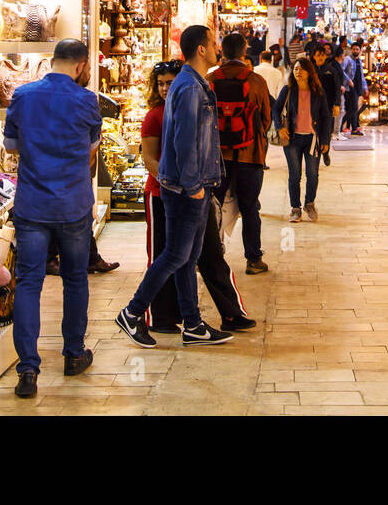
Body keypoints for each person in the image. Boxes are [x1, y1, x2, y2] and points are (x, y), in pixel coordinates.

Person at [117, 25, 234, 348]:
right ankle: (132, 312)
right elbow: (185, 141)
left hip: (190, 185)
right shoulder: (191, 88)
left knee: (186, 256)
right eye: (213, 43)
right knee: (175, 255)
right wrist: (193, 183)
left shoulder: (192, 83)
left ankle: (193, 324)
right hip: (185, 188)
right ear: (201, 49)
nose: (217, 47)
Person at [3, 39, 101, 397]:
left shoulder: (24, 95)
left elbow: (11, 146)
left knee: (29, 281)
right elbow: (91, 150)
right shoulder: (87, 100)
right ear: (80, 65)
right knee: (75, 279)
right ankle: (74, 353)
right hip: (73, 204)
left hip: (32, 203)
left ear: (54, 60)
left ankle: (28, 369)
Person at [138, 60, 257, 335]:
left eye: (170, 82)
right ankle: (160, 317)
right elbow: (149, 158)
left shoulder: (190, 108)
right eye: (161, 83)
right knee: (165, 257)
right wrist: (175, 184)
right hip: (163, 195)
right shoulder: (155, 116)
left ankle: (229, 313)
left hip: (194, 194)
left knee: (209, 254)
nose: (166, 88)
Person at [209, 33, 272, 275]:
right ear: (244, 52)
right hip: (250, 155)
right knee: (249, 208)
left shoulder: (210, 79)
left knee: (212, 206)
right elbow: (265, 120)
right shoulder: (256, 81)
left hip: (217, 157)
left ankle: (211, 257)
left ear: (221, 51)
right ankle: (254, 259)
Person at [272, 56, 332, 223]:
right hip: (292, 139)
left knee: (313, 174)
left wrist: (326, 140)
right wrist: (279, 127)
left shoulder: (317, 92)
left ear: (309, 72)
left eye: (301, 69)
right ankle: (295, 208)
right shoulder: (288, 90)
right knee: (295, 175)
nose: (298, 72)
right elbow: (275, 111)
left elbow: (326, 117)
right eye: (296, 69)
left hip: (313, 139)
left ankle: (309, 203)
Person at [312, 43, 344, 147]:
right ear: (314, 57)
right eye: (318, 55)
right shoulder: (311, 71)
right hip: (313, 105)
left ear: (325, 56)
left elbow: (337, 88)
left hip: (328, 105)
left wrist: (337, 104)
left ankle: (326, 148)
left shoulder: (331, 71)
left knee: (327, 128)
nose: (320, 57)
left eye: (322, 55)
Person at [340, 42, 366, 136]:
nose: (355, 51)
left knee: (353, 108)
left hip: (357, 87)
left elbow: (362, 75)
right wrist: (348, 80)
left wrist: (365, 87)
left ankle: (354, 128)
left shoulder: (359, 61)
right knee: (354, 107)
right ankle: (341, 125)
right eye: (354, 49)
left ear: (359, 50)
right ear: (351, 50)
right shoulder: (347, 59)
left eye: (357, 49)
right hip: (350, 87)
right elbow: (341, 70)